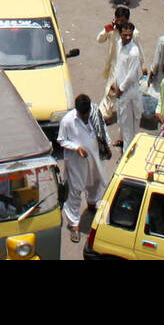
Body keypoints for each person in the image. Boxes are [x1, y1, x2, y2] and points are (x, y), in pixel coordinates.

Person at [58, 94, 109, 243]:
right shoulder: (68, 121)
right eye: (83, 115)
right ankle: (74, 225)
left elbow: (103, 131)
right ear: (77, 111)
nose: (86, 117)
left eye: (87, 114)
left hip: (94, 159)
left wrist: (106, 146)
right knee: (75, 191)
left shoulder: (95, 113)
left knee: (95, 183)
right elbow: (62, 140)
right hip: (76, 163)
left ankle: (92, 204)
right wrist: (76, 147)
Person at [109, 21, 144, 149]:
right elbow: (119, 66)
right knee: (123, 123)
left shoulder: (133, 52)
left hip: (129, 93)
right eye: (125, 35)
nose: (128, 38)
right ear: (120, 33)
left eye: (130, 35)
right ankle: (125, 145)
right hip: (121, 92)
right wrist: (114, 82)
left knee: (129, 129)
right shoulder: (119, 44)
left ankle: (127, 156)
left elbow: (131, 75)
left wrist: (121, 89)